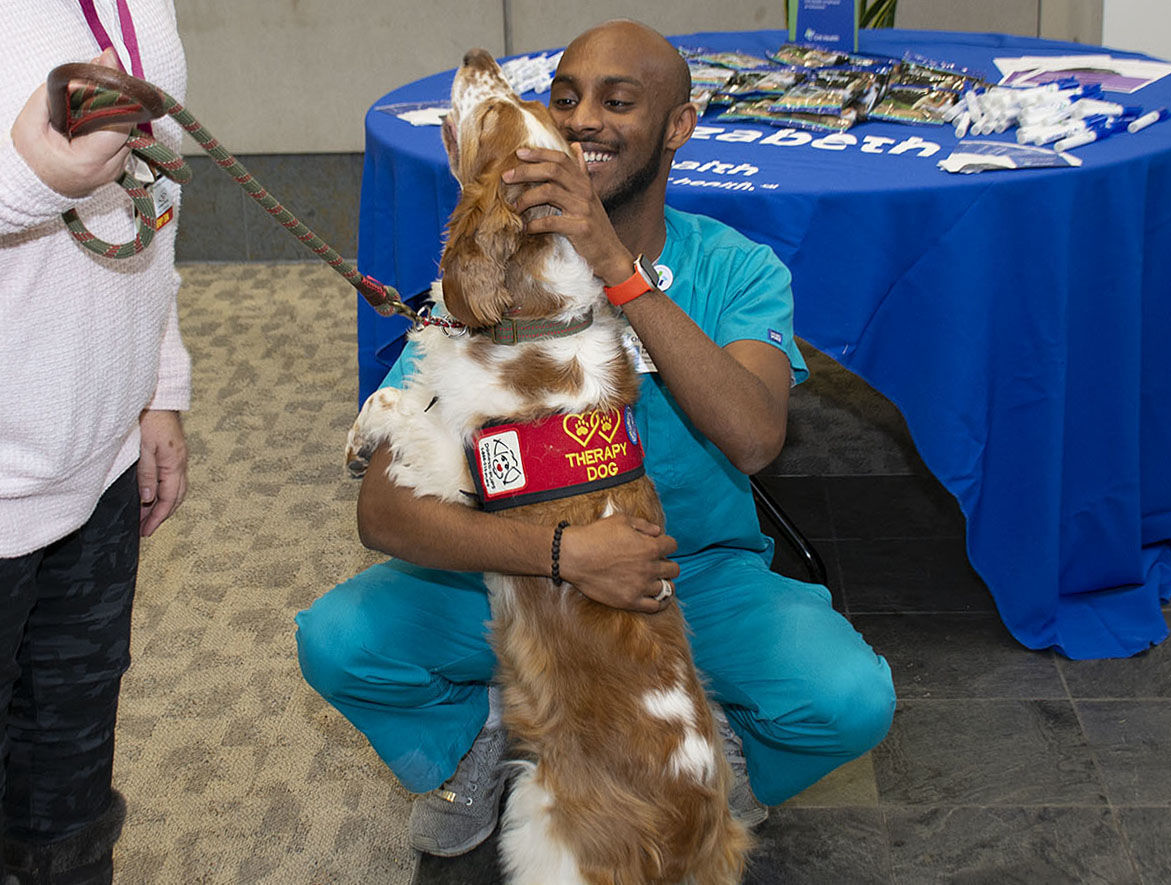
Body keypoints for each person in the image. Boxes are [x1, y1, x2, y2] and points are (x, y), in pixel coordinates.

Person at [296, 19, 895, 858]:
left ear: (677, 128)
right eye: (566, 99)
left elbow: (755, 437)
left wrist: (614, 264)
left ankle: (708, 766)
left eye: (619, 103)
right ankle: (479, 743)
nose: (584, 123)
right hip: (509, 575)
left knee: (846, 698)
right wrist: (562, 555)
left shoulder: (737, 268)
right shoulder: (490, 285)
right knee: (339, 640)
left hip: (688, 578)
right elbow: (384, 516)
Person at [1, 2, 190, 882]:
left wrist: (158, 384)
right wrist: (30, 177)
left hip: (97, 459)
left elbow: (154, 187)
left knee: (67, 808)